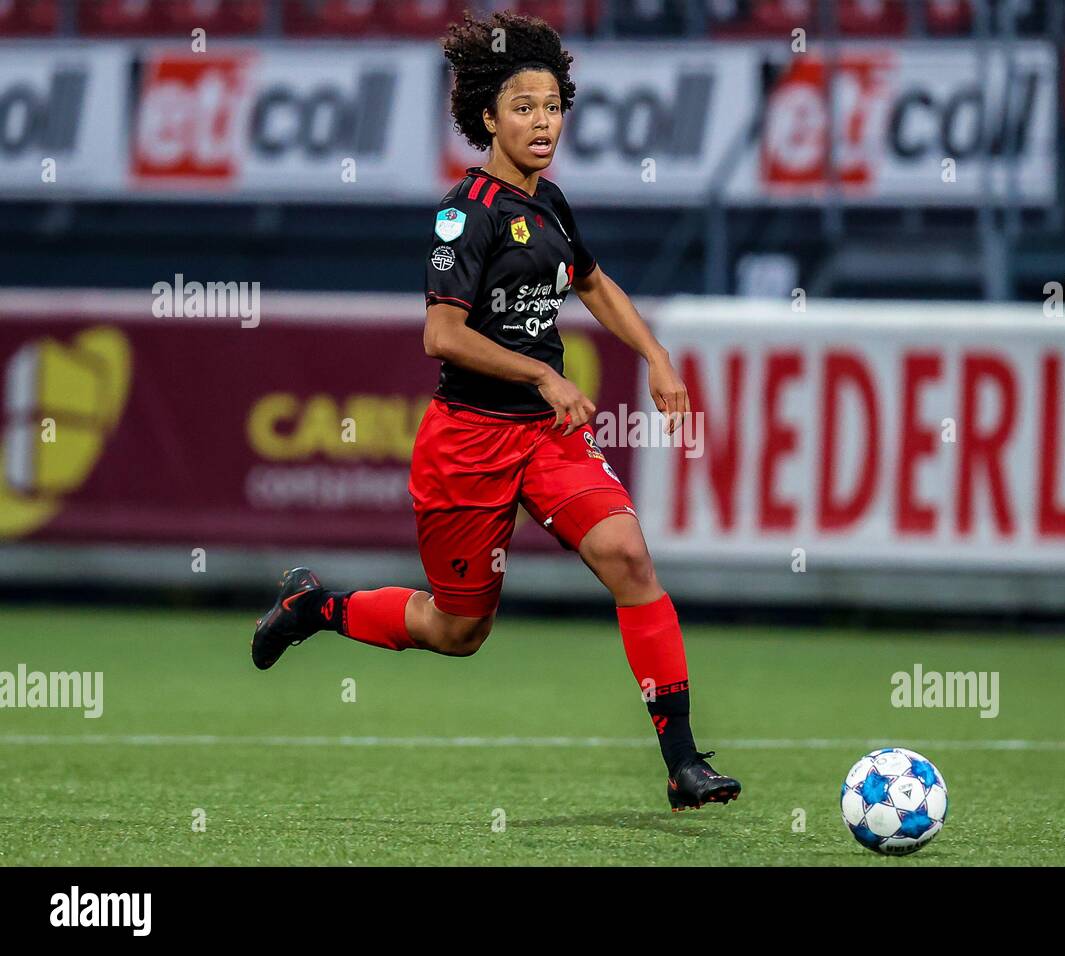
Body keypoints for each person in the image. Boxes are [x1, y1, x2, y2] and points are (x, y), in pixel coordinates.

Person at [251, 11, 740, 812]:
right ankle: (316, 607)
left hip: (547, 439)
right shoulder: (463, 213)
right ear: (487, 116)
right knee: (457, 631)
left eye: (552, 107)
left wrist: (655, 356)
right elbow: (440, 334)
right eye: (524, 107)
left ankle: (683, 763)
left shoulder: (550, 207)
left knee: (628, 557)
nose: (543, 123)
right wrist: (543, 377)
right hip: (469, 441)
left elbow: (592, 282)